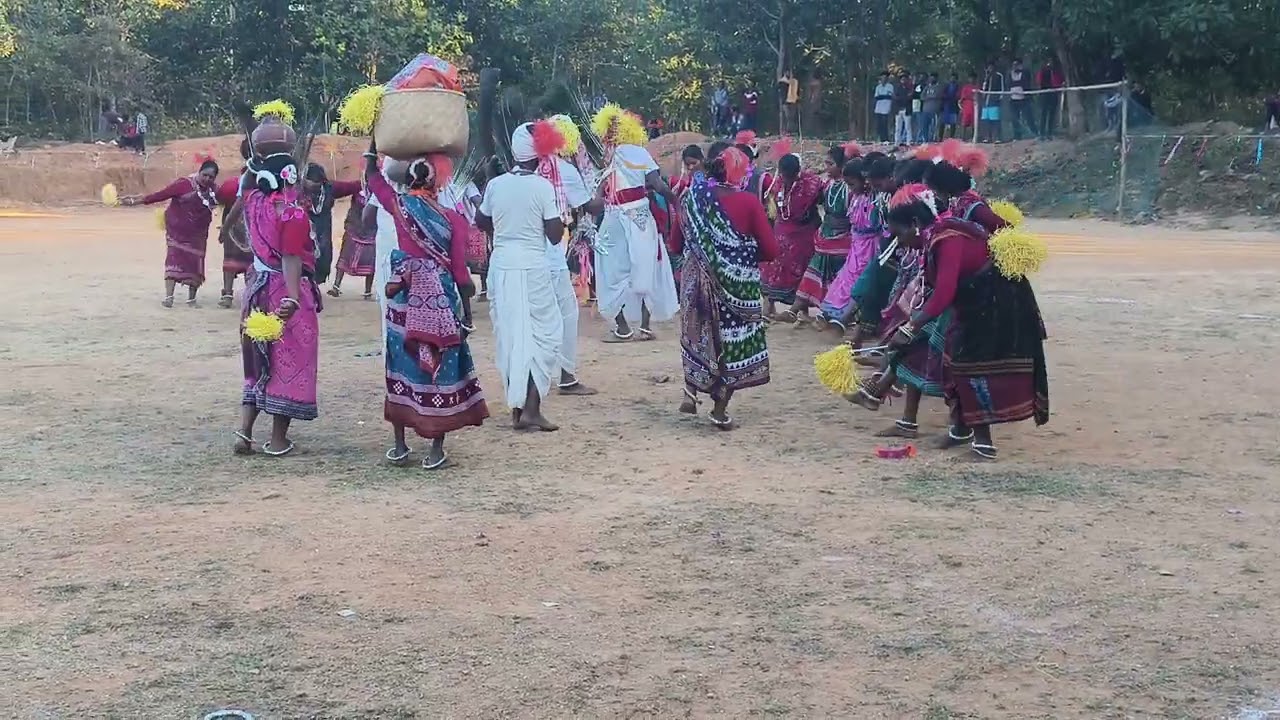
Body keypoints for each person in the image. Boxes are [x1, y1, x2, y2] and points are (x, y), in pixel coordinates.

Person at [878, 183, 1048, 460]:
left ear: (914, 223)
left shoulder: (948, 238)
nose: (898, 242)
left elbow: (944, 292)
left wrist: (911, 328)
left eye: (898, 234)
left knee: (969, 365)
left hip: (995, 301)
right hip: (974, 301)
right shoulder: (936, 236)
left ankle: (984, 445)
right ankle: (960, 431)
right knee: (951, 360)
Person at [364, 146, 488, 469]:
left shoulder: (399, 206)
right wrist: (467, 309)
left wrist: (371, 153)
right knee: (439, 368)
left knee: (401, 364)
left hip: (403, 300)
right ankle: (435, 451)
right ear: (438, 182)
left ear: (408, 179)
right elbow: (461, 274)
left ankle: (400, 446)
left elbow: (374, 181)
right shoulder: (454, 221)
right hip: (441, 302)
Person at [667, 145, 777, 430]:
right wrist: (742, 252)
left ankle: (690, 390)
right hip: (735, 286)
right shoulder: (748, 202)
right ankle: (719, 409)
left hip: (695, 282)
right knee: (731, 342)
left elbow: (675, 244)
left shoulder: (690, 198)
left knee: (698, 333)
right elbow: (770, 249)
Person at [234, 144, 321, 457]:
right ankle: (278, 439)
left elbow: (244, 185)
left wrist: (251, 166)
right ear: (290, 177)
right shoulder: (293, 213)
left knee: (258, 363)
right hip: (282, 291)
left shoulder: (253, 202)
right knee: (288, 363)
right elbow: (291, 257)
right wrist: (294, 297)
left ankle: (243, 432)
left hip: (255, 290)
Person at [478, 123, 565, 431]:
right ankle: (531, 409)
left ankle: (519, 407)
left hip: (501, 266)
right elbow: (555, 236)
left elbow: (481, 221)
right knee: (544, 337)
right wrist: (560, 221)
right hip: (532, 268)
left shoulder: (496, 185)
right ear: (539, 154)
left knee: (512, 337)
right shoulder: (542, 187)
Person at [530, 120, 603, 396]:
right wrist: (601, 189)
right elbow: (590, 207)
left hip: (521, 256)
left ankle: (534, 381)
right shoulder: (564, 171)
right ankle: (566, 377)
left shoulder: (524, 170)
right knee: (566, 314)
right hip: (550, 255)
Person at [594, 108, 679, 342]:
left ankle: (624, 328)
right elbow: (657, 185)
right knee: (645, 266)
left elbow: (602, 193)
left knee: (612, 270)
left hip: (619, 218)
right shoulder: (637, 153)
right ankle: (644, 326)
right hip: (638, 216)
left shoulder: (612, 156)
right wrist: (677, 203)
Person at [122, 159, 220, 307]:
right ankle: (169, 297)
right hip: (177, 232)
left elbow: (230, 198)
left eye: (211, 177)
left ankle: (191, 299)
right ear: (199, 172)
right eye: (205, 175)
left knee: (196, 263)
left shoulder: (214, 191)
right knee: (174, 260)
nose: (207, 179)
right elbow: (160, 195)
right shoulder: (183, 184)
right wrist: (135, 201)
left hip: (198, 235)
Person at [790, 143, 861, 321]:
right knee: (814, 271)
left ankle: (831, 313)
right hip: (825, 236)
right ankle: (795, 309)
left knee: (837, 278)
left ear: (842, 165)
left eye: (830, 164)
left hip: (843, 239)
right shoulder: (828, 185)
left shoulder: (850, 189)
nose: (826, 168)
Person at [819, 158, 883, 336]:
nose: (850, 188)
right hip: (856, 246)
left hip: (870, 246)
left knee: (860, 281)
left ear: (864, 180)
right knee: (846, 278)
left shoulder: (876, 199)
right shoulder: (856, 198)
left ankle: (845, 318)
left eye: (852, 183)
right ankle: (833, 313)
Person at [761, 152, 822, 320]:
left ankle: (802, 311)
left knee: (802, 269)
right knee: (772, 268)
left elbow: (815, 205)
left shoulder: (811, 185)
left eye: (790, 176)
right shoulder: (777, 184)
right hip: (781, 232)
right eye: (784, 175)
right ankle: (768, 305)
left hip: (803, 235)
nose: (786, 179)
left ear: (797, 173)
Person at [301, 164, 362, 287]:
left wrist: (369, 179)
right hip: (303, 230)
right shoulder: (297, 191)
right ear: (304, 180)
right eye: (312, 182)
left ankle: (314, 286)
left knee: (323, 258)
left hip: (323, 231)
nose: (315, 186)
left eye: (318, 183)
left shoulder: (329, 188)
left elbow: (354, 186)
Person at [214, 144, 254, 308]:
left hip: (241, 227)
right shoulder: (246, 180)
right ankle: (250, 293)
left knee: (234, 260)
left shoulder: (236, 182)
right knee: (252, 261)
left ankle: (229, 293)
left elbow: (222, 195)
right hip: (247, 227)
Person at [329, 187, 378, 299]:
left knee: (370, 261)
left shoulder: (377, 193)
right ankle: (336, 287)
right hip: (354, 228)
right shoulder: (358, 190)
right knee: (345, 256)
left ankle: (367, 291)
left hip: (371, 231)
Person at [1035, 59, 1064, 138]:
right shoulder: (1042, 71)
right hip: (1044, 94)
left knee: (1052, 114)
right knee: (1043, 114)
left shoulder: (1056, 72)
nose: (1049, 64)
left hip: (1053, 94)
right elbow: (1039, 82)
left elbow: (1060, 81)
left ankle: (1050, 132)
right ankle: (1042, 133)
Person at [1008, 59, 1035, 140]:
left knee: (1028, 116)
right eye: (1013, 65)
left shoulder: (1025, 72)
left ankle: (1034, 132)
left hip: (1024, 98)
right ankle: (1017, 135)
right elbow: (1008, 84)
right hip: (1013, 98)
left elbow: (1027, 83)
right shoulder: (1010, 74)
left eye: (1016, 64)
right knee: (1015, 118)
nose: (1014, 66)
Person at [980, 62, 1006, 143]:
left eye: (991, 67)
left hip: (994, 101)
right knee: (985, 120)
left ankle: (997, 137)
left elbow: (1002, 88)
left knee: (995, 120)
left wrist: (1000, 98)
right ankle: (987, 137)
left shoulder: (999, 75)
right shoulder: (985, 77)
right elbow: (983, 89)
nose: (989, 69)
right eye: (988, 67)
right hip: (986, 102)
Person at [918, 73, 941, 143]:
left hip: (934, 110)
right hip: (925, 110)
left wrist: (928, 97)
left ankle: (932, 140)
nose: (932, 80)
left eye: (933, 78)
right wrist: (930, 97)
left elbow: (936, 96)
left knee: (933, 127)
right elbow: (922, 97)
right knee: (924, 126)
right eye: (931, 78)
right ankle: (925, 141)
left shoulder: (938, 87)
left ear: (936, 79)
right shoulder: (927, 87)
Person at [873, 72, 895, 142]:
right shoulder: (878, 87)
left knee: (885, 123)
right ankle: (881, 139)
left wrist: (883, 96)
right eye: (882, 78)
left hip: (886, 107)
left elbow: (890, 96)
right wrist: (884, 96)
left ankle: (886, 139)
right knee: (879, 124)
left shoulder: (890, 86)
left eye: (885, 78)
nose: (883, 79)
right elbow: (876, 97)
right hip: (879, 107)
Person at [894, 72, 914, 145]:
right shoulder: (897, 88)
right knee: (898, 128)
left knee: (908, 127)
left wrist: (902, 98)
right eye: (902, 79)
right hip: (898, 110)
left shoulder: (910, 88)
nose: (903, 80)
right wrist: (903, 98)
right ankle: (897, 142)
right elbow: (895, 97)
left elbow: (909, 97)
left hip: (906, 109)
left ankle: (909, 142)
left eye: (905, 79)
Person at [941, 74, 961, 139]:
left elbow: (957, 96)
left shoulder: (958, 87)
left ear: (956, 79)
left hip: (953, 107)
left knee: (953, 123)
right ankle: (940, 137)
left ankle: (951, 137)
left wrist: (950, 97)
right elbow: (942, 95)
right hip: (946, 107)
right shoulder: (946, 86)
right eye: (951, 78)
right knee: (942, 123)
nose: (952, 79)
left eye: (954, 78)